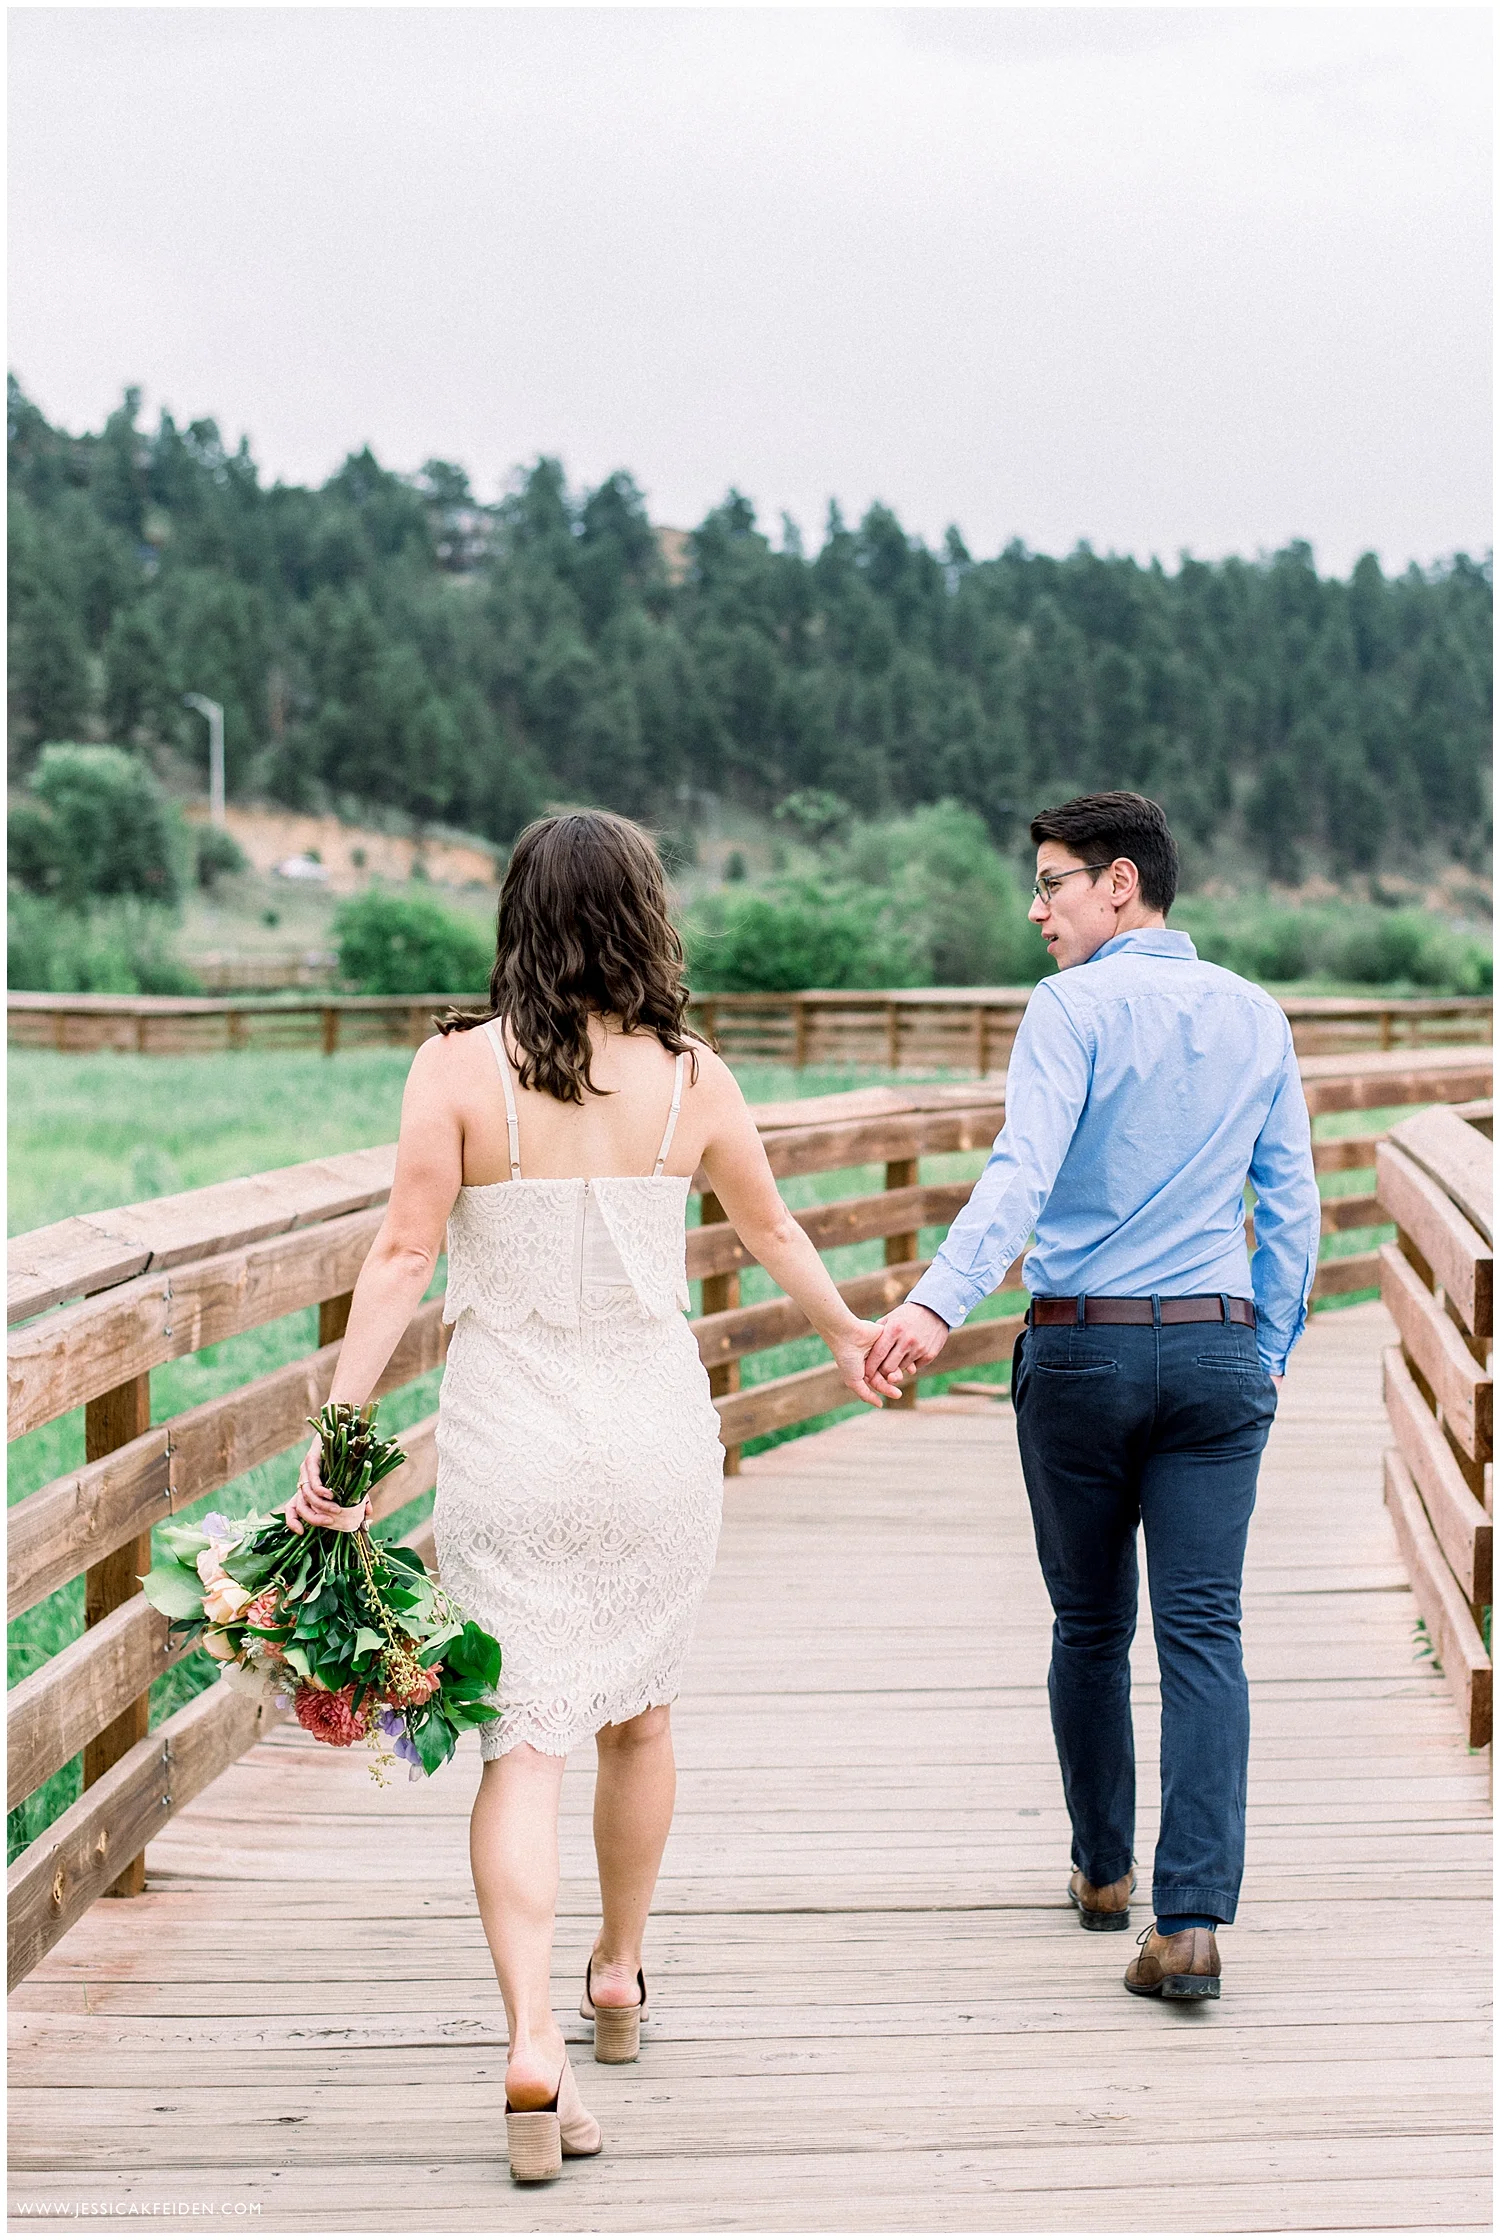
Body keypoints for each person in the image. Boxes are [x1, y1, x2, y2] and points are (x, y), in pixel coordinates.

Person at [285, 811, 898, 2182]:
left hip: (512, 1438)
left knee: (525, 1741)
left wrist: (340, 1429)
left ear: (519, 913)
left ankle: (527, 2039)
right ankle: (618, 1970)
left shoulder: (456, 1068)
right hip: (654, 1436)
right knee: (643, 1712)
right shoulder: (692, 1079)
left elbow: (399, 1253)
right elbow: (775, 1228)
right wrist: (852, 1336)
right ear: (644, 916)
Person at [866, 791, 1322, 2003]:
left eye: (1054, 882)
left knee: (1088, 1622)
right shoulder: (1256, 1012)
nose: (1037, 908)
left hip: (1081, 1351)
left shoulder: (1068, 1008)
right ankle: (1192, 1920)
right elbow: (1293, 1207)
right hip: (1220, 1354)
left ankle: (1104, 1869)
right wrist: (1267, 1348)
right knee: (1204, 1632)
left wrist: (931, 1306)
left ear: (1121, 884)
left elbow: (1021, 1175)